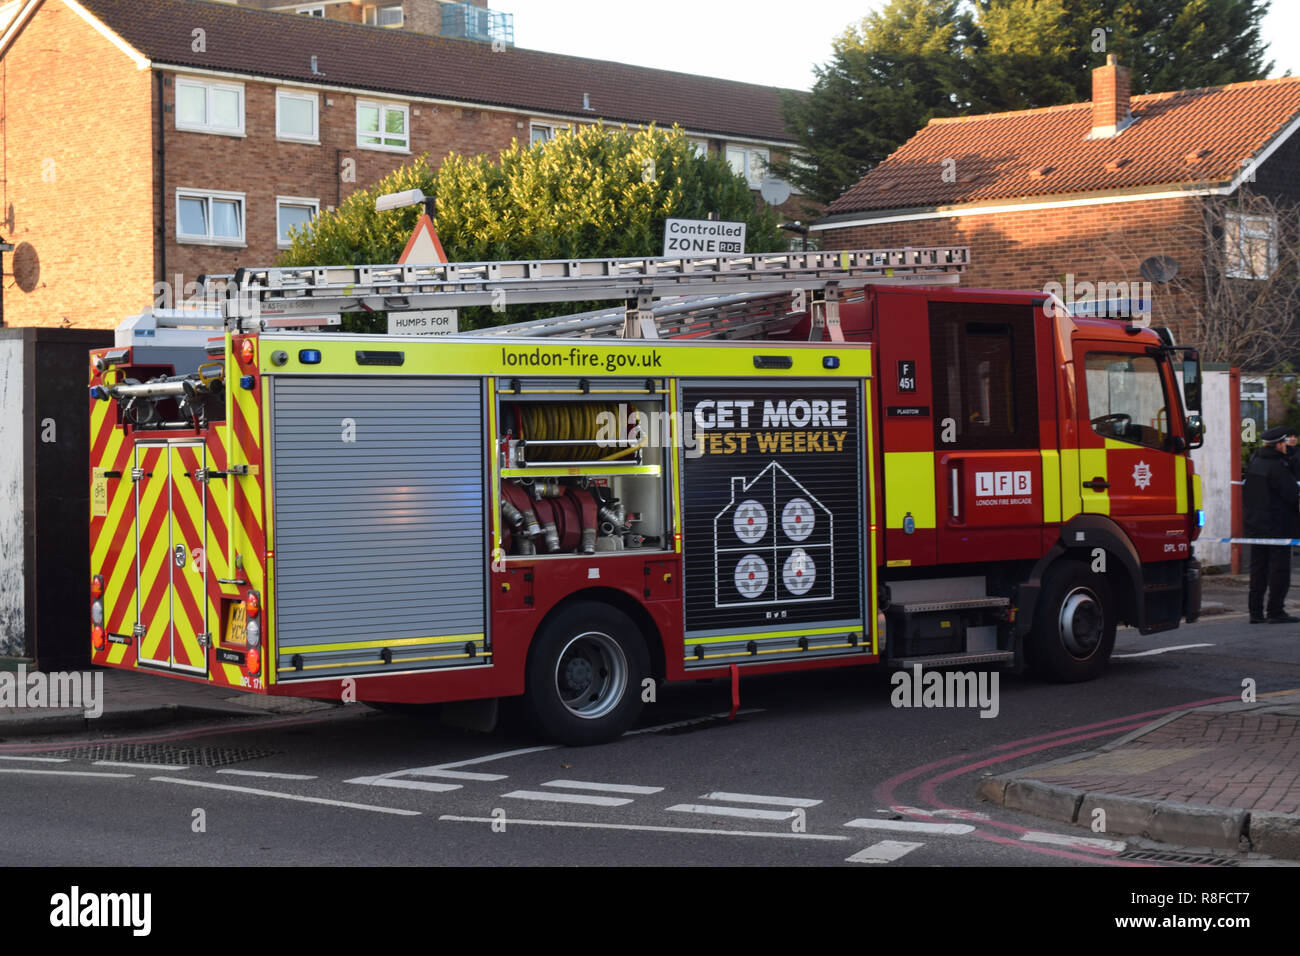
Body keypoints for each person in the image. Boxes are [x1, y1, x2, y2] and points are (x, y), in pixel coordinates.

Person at [1243, 425, 1300, 623]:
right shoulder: (1277, 467)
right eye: (1284, 442)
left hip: (1256, 526)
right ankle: (1275, 611)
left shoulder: (1255, 462)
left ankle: (1255, 612)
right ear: (1277, 445)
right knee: (1279, 570)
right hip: (1277, 526)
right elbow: (1292, 495)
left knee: (1258, 570)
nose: (1287, 445)